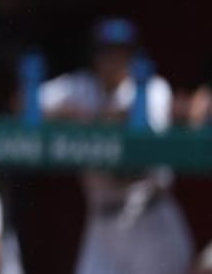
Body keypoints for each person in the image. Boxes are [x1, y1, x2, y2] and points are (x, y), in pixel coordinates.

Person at [37, 17, 194, 274]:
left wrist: (87, 121)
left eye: (122, 52)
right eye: (106, 52)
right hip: (102, 223)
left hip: (149, 217)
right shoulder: (80, 86)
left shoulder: (152, 89)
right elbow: (24, 104)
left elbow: (130, 166)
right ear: (94, 56)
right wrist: (68, 115)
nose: (114, 60)